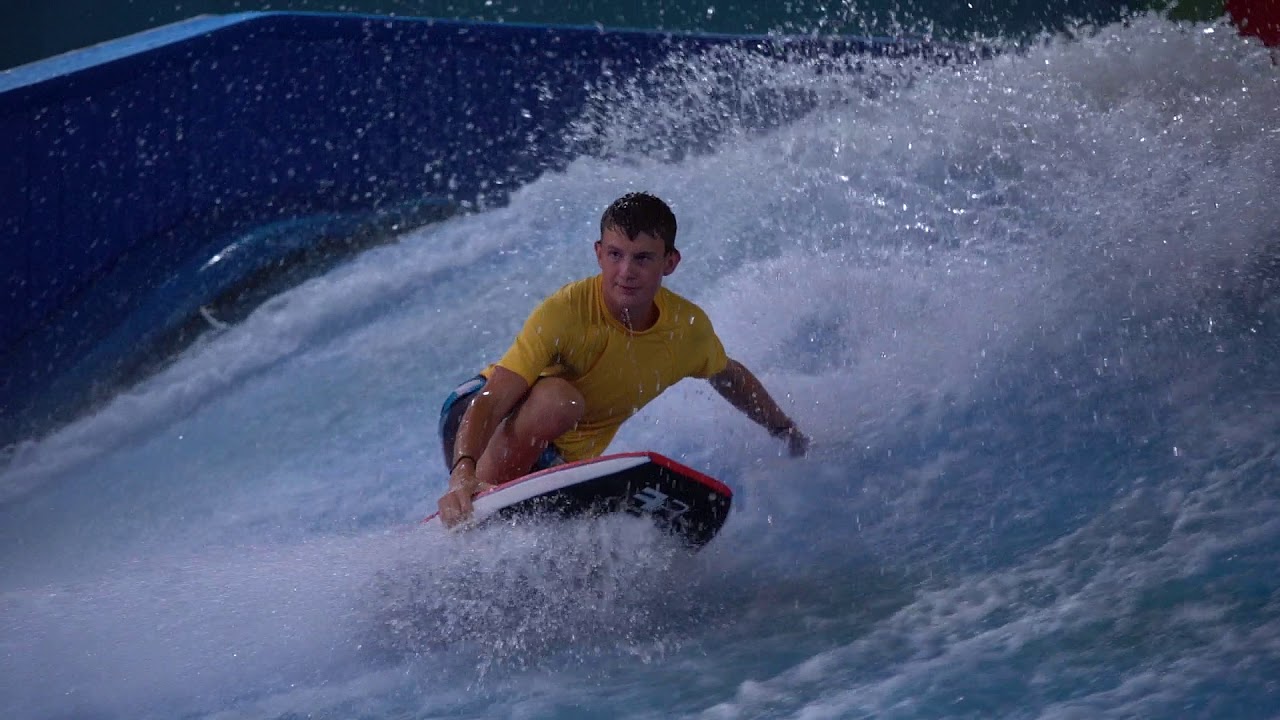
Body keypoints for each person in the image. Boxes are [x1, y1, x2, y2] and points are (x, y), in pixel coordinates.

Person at [435, 192, 810, 527]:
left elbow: (729, 376)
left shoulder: (687, 330)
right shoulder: (566, 312)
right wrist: (463, 471)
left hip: (551, 457)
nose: (626, 272)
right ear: (599, 253)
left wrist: (783, 429)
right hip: (476, 418)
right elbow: (495, 396)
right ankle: (474, 508)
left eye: (643, 258)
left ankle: (488, 506)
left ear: (670, 262)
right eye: (615, 255)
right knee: (558, 400)